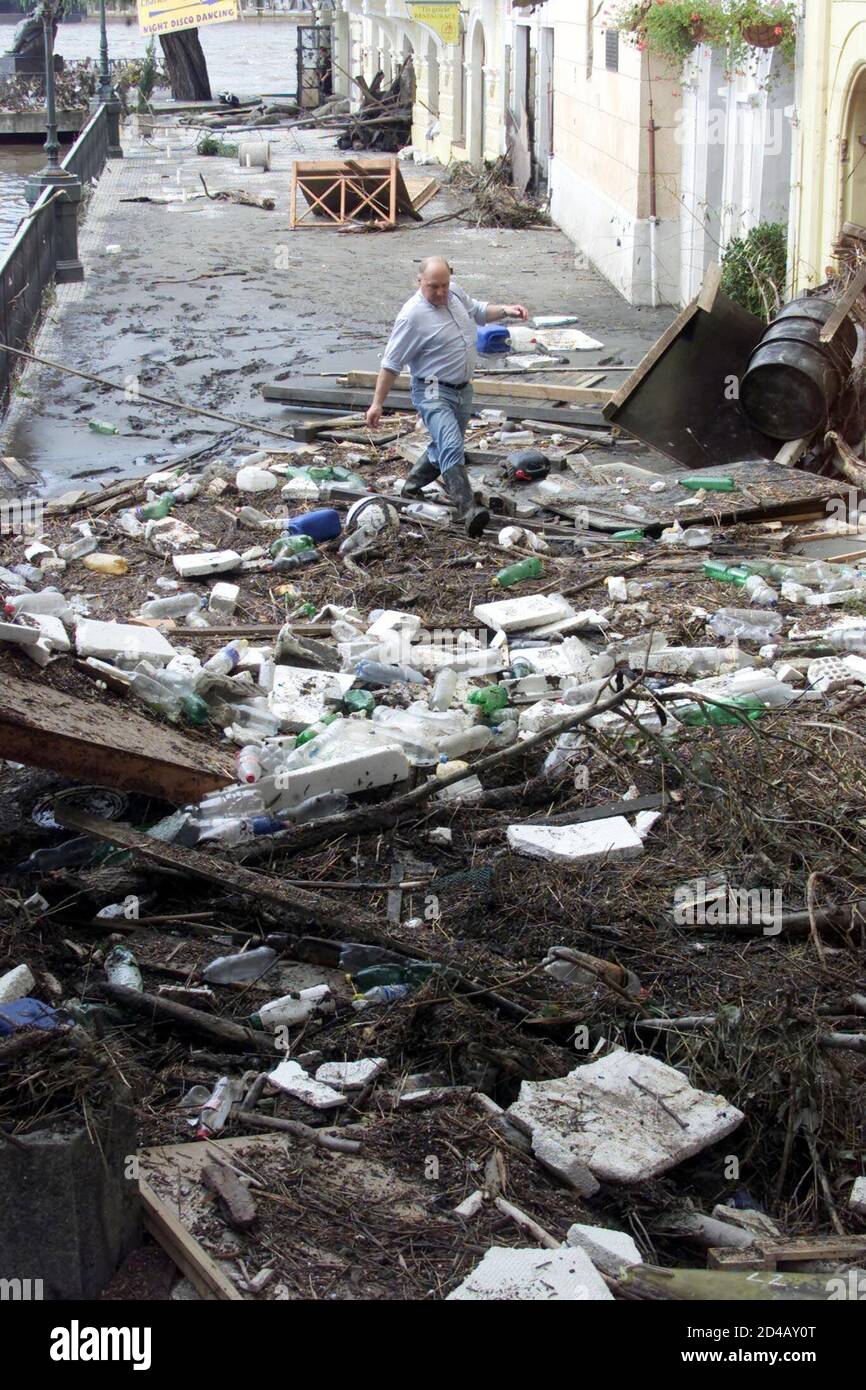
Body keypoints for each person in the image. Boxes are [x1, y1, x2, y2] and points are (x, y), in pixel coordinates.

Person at [366, 257, 528, 536]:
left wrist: (506, 310)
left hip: (462, 388)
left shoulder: (454, 293)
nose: (440, 293)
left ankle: (412, 486)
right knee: (451, 444)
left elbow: (477, 311)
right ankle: (468, 510)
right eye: (433, 287)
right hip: (432, 388)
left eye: (444, 285)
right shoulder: (412, 316)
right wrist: (377, 403)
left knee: (444, 444)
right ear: (420, 282)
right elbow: (391, 362)